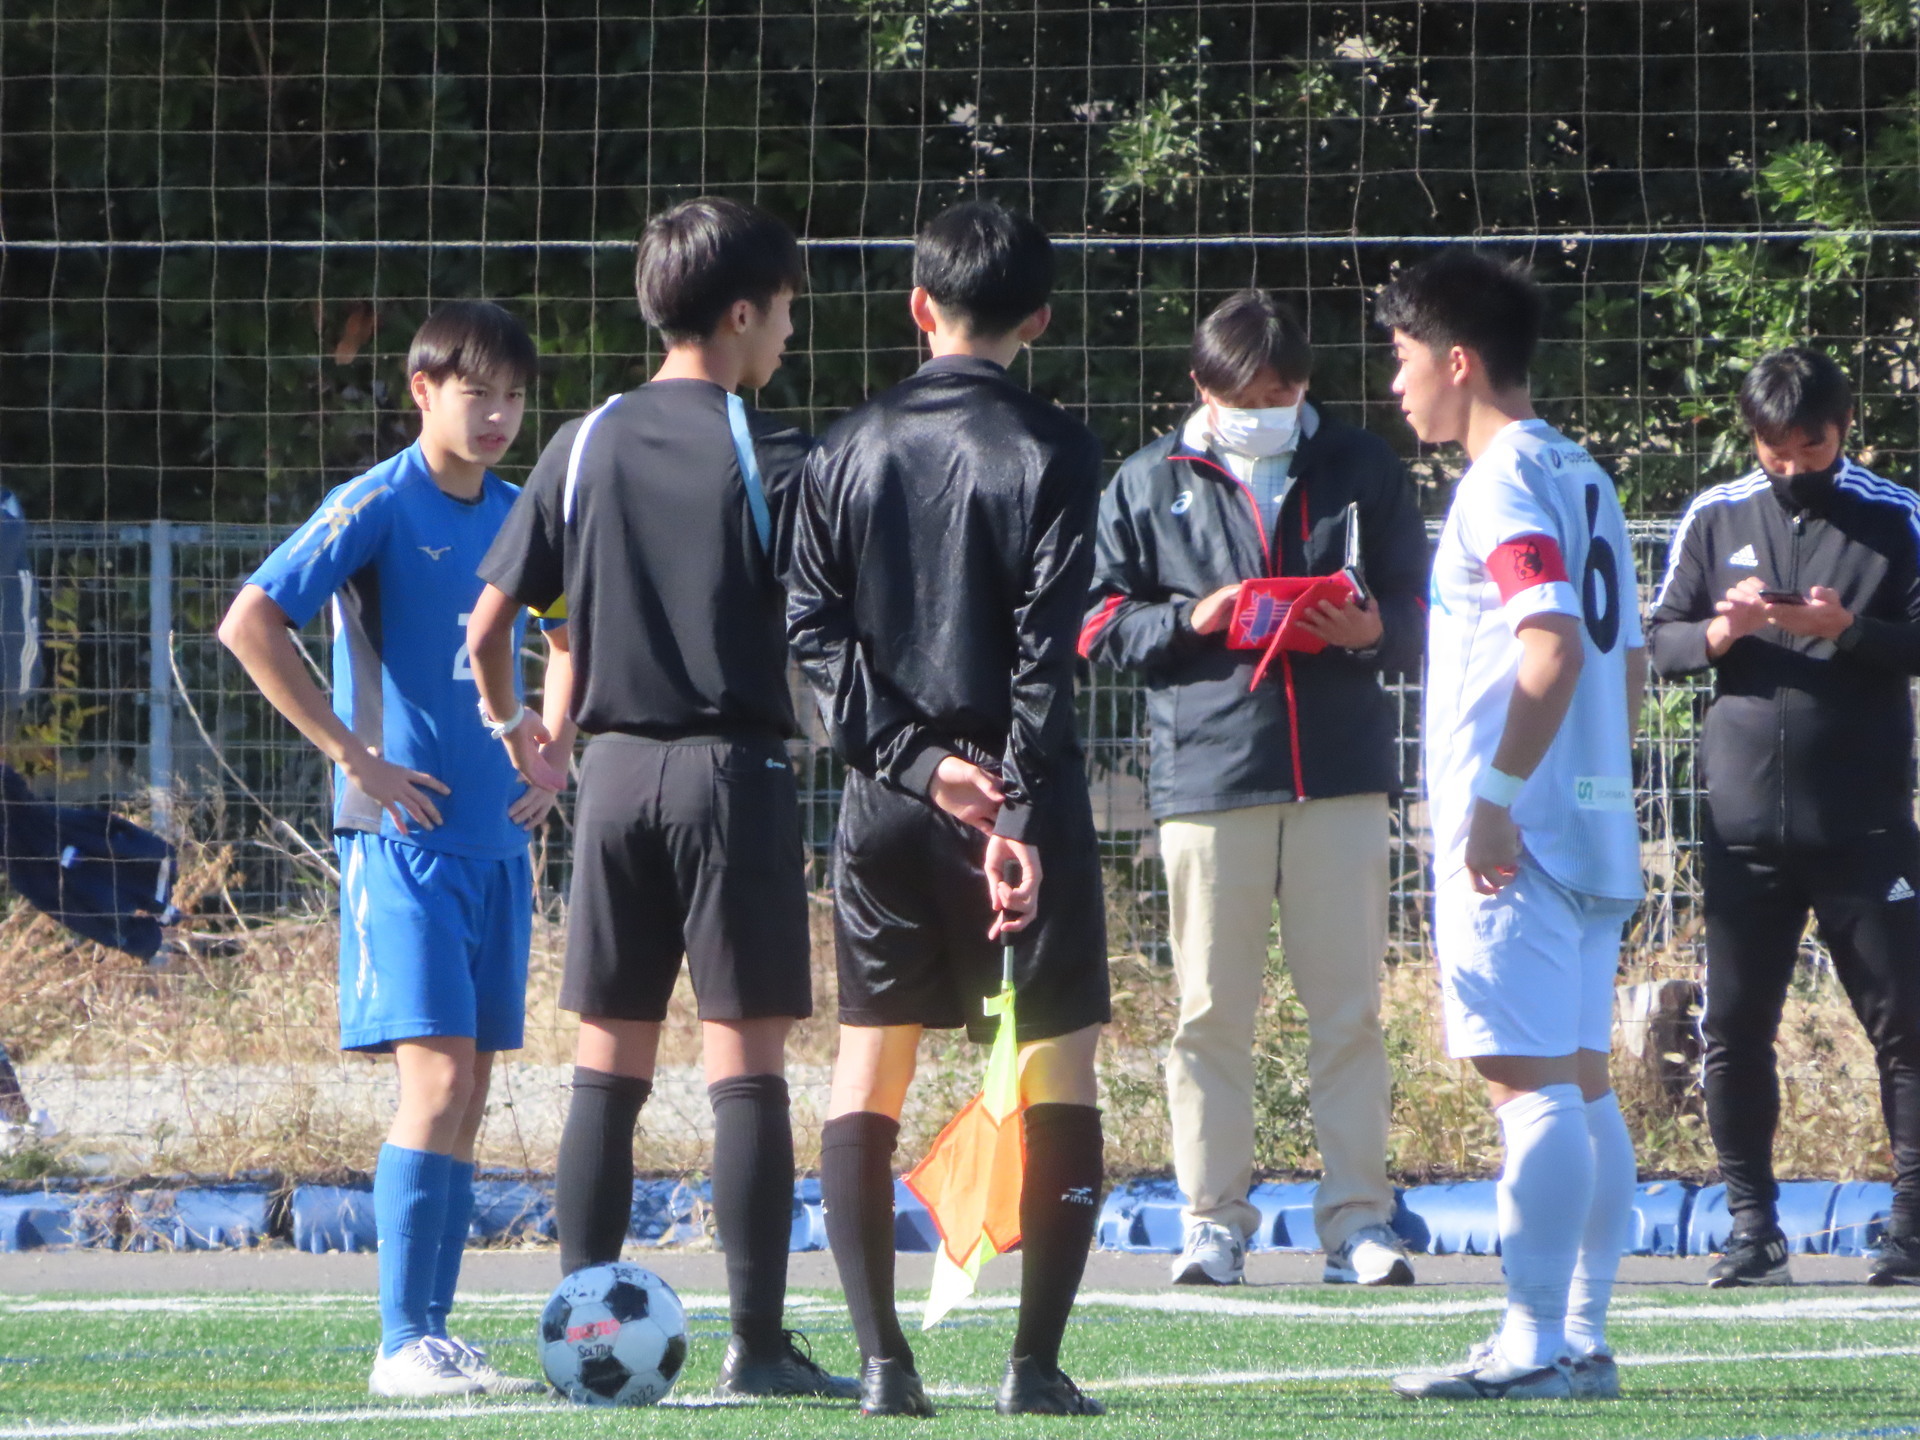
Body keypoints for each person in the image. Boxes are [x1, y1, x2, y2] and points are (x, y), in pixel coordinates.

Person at [466, 197, 854, 1401]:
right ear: (740, 314)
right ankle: (758, 1349)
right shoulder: (772, 451)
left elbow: (487, 629)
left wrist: (523, 730)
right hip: (732, 774)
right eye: (784, 311)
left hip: (614, 775)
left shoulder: (581, 442)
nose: (788, 332)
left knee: (608, 1066)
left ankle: (585, 1342)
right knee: (746, 1064)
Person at [787, 200, 1110, 1419]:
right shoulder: (1058, 448)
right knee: (1057, 1069)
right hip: (1022, 808)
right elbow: (1044, 649)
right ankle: (1034, 1367)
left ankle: (883, 1365)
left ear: (919, 305)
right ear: (1041, 319)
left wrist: (918, 766)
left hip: (885, 807)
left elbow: (811, 634)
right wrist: (1009, 803)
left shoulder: (842, 449)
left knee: (866, 1069)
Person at [219, 301, 560, 1399]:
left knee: (472, 1089)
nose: (498, 414)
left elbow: (572, 633)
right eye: (477, 393)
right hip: (403, 846)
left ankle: (436, 1335)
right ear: (423, 391)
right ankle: (400, 1340)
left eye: (514, 396)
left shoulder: (517, 514)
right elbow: (249, 622)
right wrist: (353, 755)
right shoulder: (374, 501)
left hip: (495, 849)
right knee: (440, 1077)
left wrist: (553, 749)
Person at [1080, 289, 1428, 1290]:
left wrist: (1373, 631)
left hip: (1341, 776)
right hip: (1207, 775)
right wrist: (1194, 618)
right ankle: (1211, 1224)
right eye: (1247, 396)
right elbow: (1097, 623)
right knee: (1208, 1015)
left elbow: (1422, 607)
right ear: (1202, 386)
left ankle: (1358, 1222)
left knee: (1348, 1012)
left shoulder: (1362, 465)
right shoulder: (1146, 479)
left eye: (1285, 393)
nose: (1269, 411)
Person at [1375, 251, 1644, 1401]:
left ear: (1457, 361)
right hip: (1590, 825)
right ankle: (1581, 1336)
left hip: (1517, 841)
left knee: (1529, 1090)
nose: (1393, 383)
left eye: (1400, 357)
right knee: (1581, 1086)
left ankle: (1533, 1344)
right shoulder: (1585, 471)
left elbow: (1552, 640)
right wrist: (1591, 783)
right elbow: (1626, 665)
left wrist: (1491, 802)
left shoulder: (1500, 483)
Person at [1646, 346, 1920, 1288]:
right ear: (1752, 439)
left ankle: (1911, 1230)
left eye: (1813, 448)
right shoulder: (1715, 514)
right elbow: (1660, 642)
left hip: (1864, 823)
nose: (1794, 466)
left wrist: (1849, 632)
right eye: (1776, 451)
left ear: (1845, 431)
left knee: (1905, 1025)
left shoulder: (1895, 515)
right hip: (1743, 828)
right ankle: (1752, 1227)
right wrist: (1725, 631)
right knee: (1734, 1028)